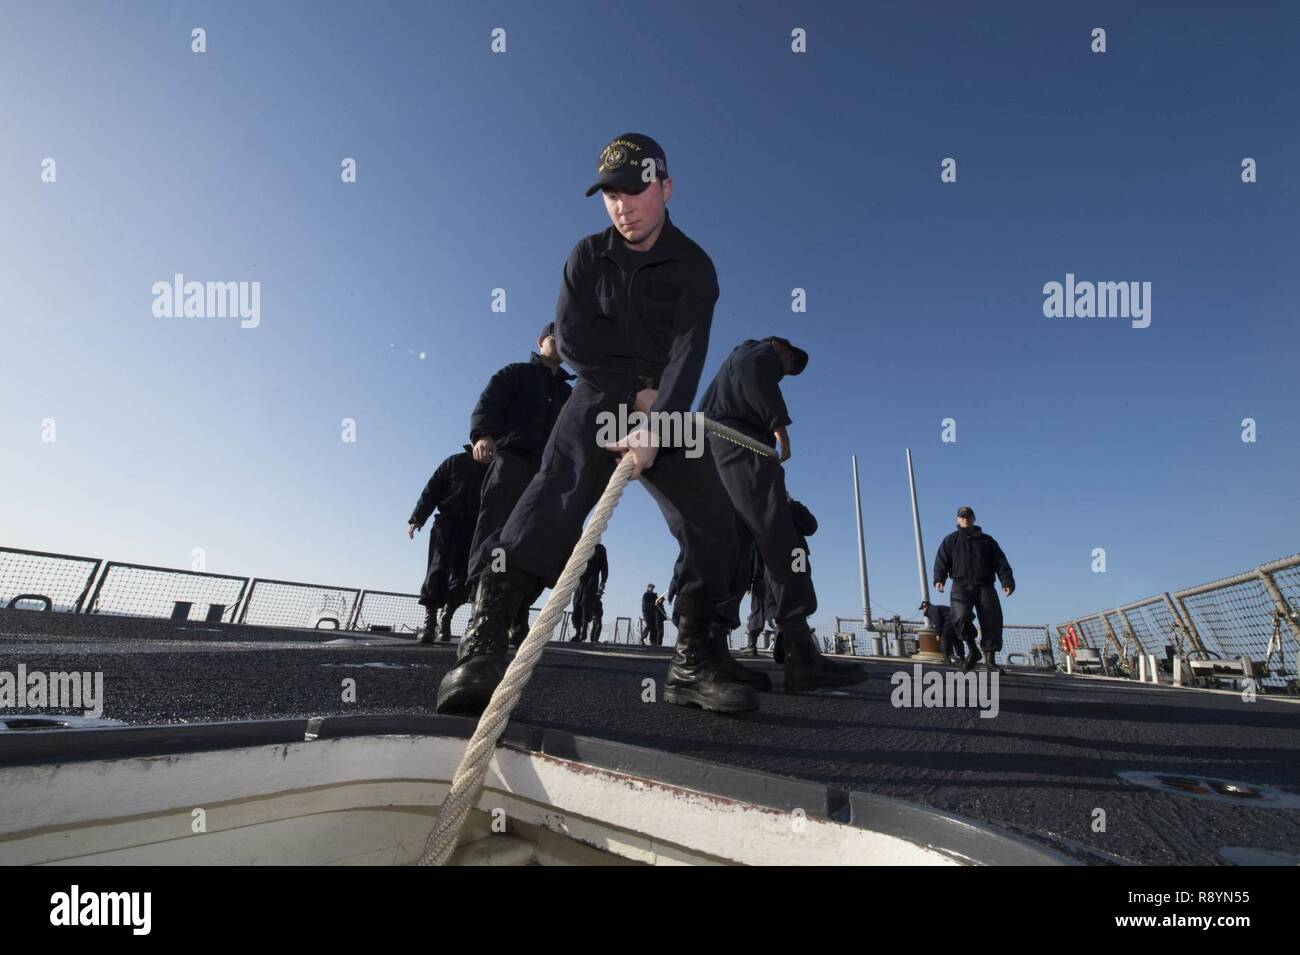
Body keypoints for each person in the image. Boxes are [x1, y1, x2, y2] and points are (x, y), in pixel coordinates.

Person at [435, 132, 754, 716]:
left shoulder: (696, 268)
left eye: (634, 190)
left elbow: (690, 349)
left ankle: (693, 655)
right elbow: (573, 337)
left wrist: (657, 418)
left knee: (713, 519)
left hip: (667, 406)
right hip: (602, 393)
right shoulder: (585, 255)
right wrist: (634, 390)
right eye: (610, 194)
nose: (622, 205)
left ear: (665, 186)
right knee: (557, 488)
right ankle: (486, 637)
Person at [701, 339, 867, 692]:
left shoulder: (730, 370)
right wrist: (780, 429)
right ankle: (800, 653)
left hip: (719, 447)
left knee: (736, 543)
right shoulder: (755, 354)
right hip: (742, 445)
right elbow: (755, 371)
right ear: (778, 345)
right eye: (790, 361)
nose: (787, 369)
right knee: (779, 538)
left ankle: (711, 648)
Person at [466, 322, 574, 647]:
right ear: (541, 341)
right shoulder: (515, 374)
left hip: (547, 473)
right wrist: (483, 435)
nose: (561, 343)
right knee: (496, 530)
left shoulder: (571, 394)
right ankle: (482, 610)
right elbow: (489, 403)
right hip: (512, 460)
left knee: (535, 539)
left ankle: (517, 610)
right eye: (556, 337)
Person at [407, 446, 486, 643]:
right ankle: (430, 624)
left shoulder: (495, 467)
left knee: (465, 578)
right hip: (446, 524)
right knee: (438, 568)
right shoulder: (454, 462)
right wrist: (418, 517)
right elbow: (432, 489)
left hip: (476, 529)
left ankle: (447, 616)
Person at [933, 506, 1015, 672]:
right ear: (958, 520)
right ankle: (973, 649)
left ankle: (990, 660)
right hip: (960, 585)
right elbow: (941, 561)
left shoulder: (988, 541)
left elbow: (1001, 562)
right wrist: (939, 579)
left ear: (974, 518)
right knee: (959, 618)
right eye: (962, 517)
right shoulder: (950, 540)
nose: (965, 519)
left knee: (991, 621)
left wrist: (1007, 581)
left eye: (968, 516)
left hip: (985, 586)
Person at [919, 599, 980, 668]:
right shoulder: (936, 608)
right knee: (957, 640)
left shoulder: (932, 610)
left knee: (944, 639)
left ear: (926, 607)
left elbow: (938, 622)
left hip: (948, 624)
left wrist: (938, 634)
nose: (922, 610)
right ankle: (962, 657)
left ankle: (947, 658)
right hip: (955, 622)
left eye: (922, 608)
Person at [569, 543, 608, 641]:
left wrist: (603, 581)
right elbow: (574, 562)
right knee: (577, 603)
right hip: (580, 578)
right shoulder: (583, 545)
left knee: (586, 603)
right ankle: (577, 632)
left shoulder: (600, 549)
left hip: (593, 578)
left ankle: (584, 629)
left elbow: (604, 565)